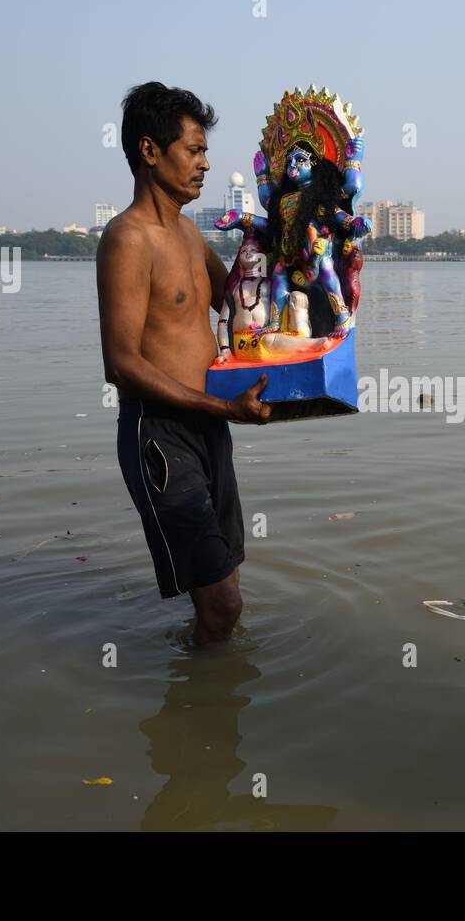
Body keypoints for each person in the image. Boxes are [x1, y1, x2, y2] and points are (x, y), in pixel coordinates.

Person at [96, 81, 270, 645]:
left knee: (227, 596)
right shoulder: (127, 240)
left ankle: (209, 698)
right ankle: (198, 715)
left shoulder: (190, 232)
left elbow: (240, 303)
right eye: (193, 150)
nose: (204, 163)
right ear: (150, 150)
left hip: (212, 427)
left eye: (204, 151)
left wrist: (275, 245)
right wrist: (221, 406)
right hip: (161, 436)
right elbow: (121, 364)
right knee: (222, 605)